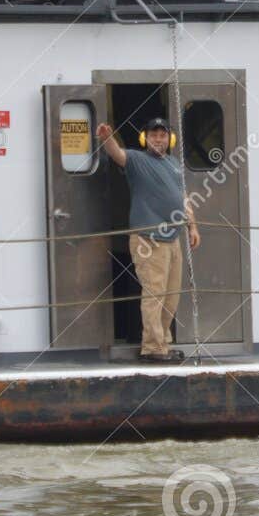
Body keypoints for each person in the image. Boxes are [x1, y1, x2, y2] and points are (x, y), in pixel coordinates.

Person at [96, 117, 200, 364]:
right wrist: (107, 138)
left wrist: (192, 226)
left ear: (170, 139)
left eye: (162, 135)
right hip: (149, 239)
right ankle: (152, 347)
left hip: (173, 239)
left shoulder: (173, 164)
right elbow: (117, 154)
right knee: (154, 294)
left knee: (171, 296)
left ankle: (163, 343)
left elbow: (183, 197)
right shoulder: (136, 159)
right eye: (153, 135)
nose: (158, 139)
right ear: (145, 138)